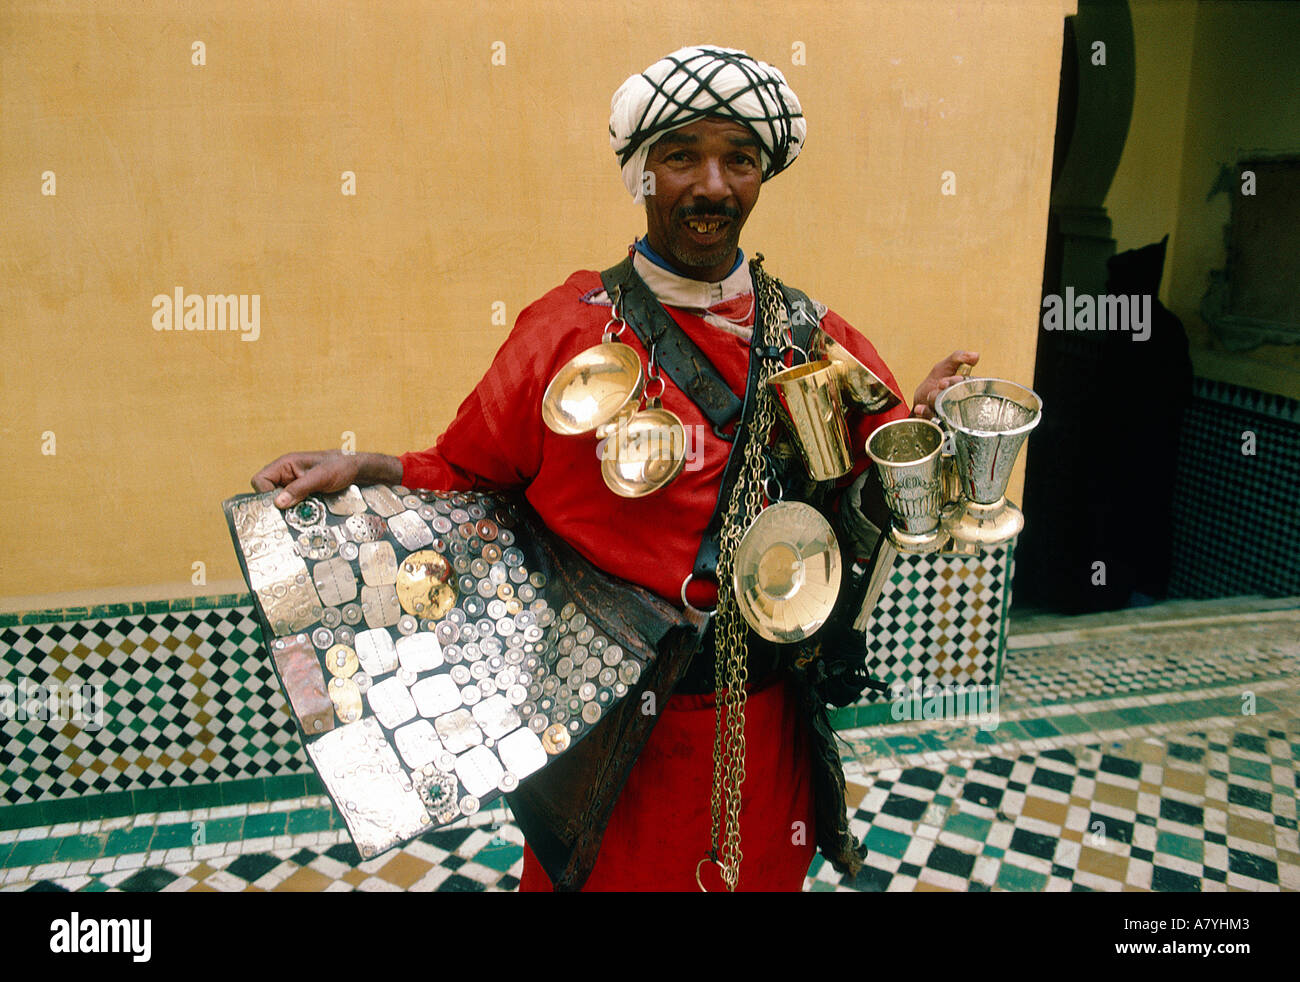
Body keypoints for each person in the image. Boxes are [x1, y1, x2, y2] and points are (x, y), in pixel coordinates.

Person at [253, 44, 976, 892]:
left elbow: (872, 491)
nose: (711, 185)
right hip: (611, 743)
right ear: (641, 174)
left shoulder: (816, 339)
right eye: (680, 157)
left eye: (738, 159)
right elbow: (468, 472)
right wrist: (368, 466)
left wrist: (921, 433)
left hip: (766, 728)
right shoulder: (564, 331)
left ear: (760, 178)